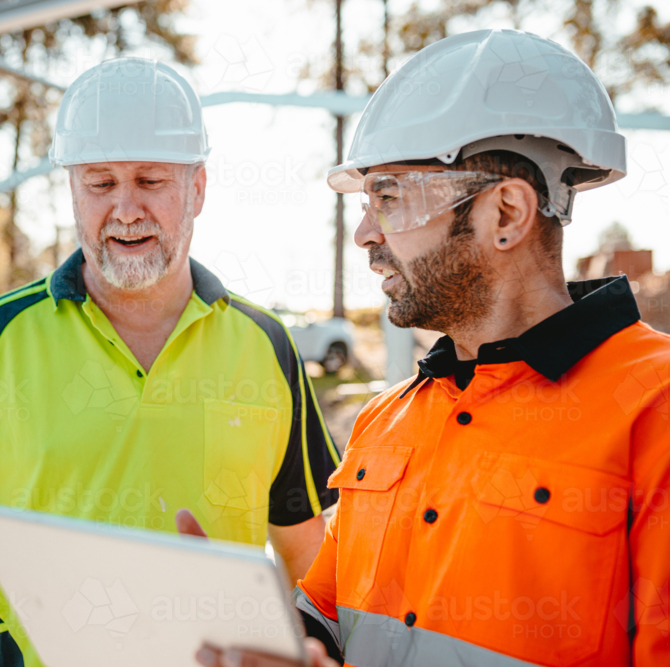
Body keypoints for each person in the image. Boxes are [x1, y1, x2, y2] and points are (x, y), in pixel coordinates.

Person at [202, 29, 670, 666]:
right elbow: (331, 617)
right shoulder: (384, 420)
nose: (366, 233)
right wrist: (249, 623)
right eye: (368, 202)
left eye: (390, 197)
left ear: (505, 213)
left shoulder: (655, 410)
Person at [0, 57, 340, 667]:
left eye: (151, 181)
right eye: (101, 183)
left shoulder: (266, 344)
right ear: (72, 188)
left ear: (197, 189)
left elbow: (307, 548)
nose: (126, 210)